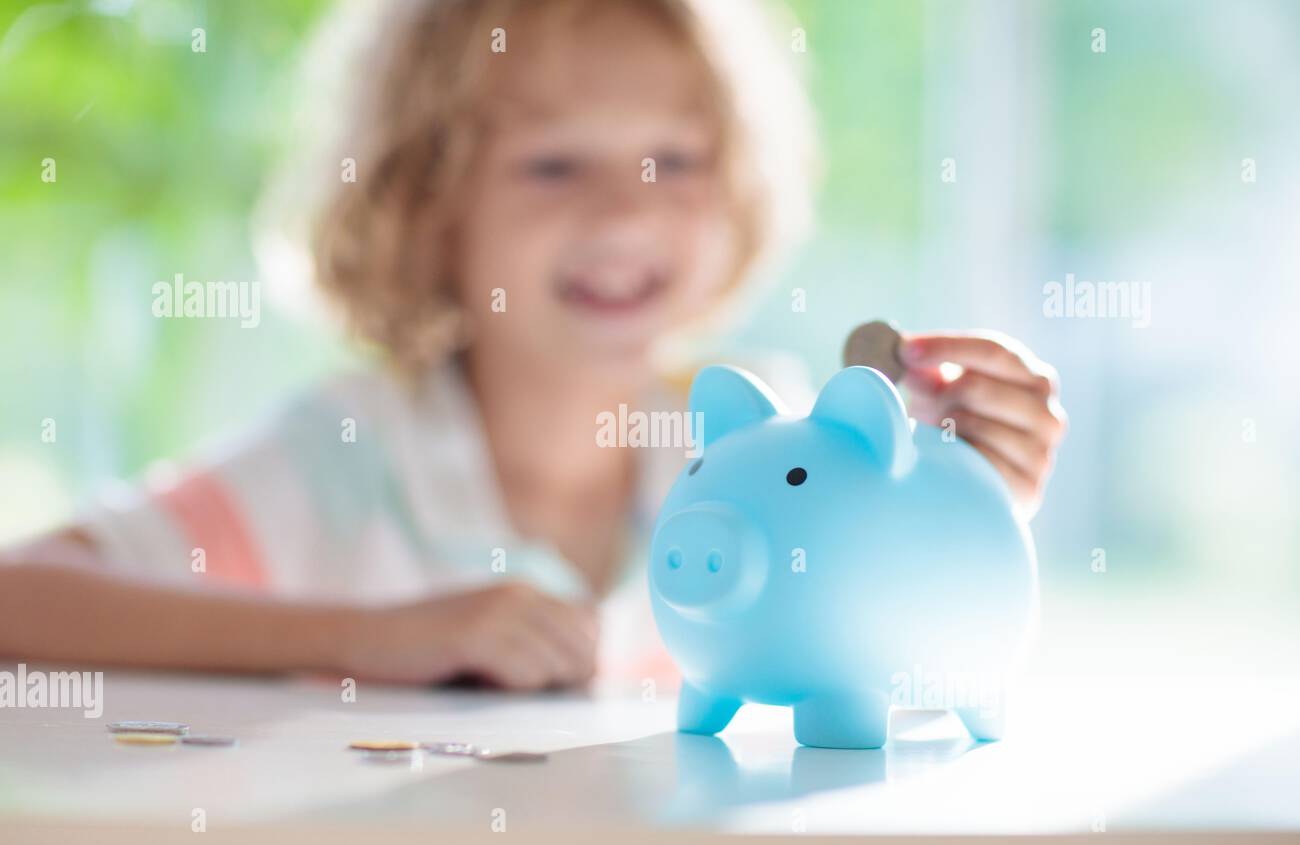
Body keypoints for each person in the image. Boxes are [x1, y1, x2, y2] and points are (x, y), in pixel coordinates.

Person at [0, 0, 1066, 690]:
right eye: (553, 165)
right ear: (426, 204)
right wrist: (362, 636)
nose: (623, 212)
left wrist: (966, 513)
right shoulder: (345, 457)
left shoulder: (778, 429)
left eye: (674, 160)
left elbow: (906, 681)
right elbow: (18, 596)